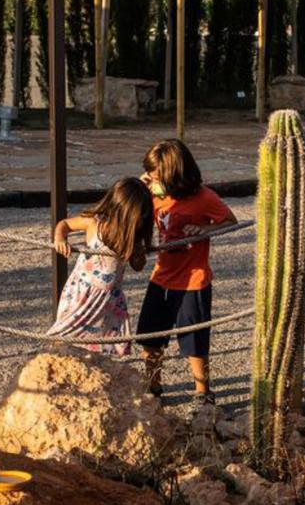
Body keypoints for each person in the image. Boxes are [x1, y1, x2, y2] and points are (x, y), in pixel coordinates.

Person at [136, 139, 238, 403]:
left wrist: (205, 229)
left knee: (195, 341)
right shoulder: (153, 194)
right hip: (161, 276)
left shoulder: (204, 197)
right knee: (150, 336)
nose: (153, 181)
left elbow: (229, 221)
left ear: (175, 175)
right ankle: (153, 387)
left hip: (193, 280)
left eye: (157, 177)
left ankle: (203, 393)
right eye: (150, 177)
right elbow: (130, 211)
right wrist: (139, 189)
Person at [48, 177, 153, 356]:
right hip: (83, 294)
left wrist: (137, 249)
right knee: (65, 339)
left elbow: (138, 266)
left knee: (97, 346)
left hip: (109, 299)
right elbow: (64, 224)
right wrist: (59, 239)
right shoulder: (94, 223)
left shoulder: (131, 235)